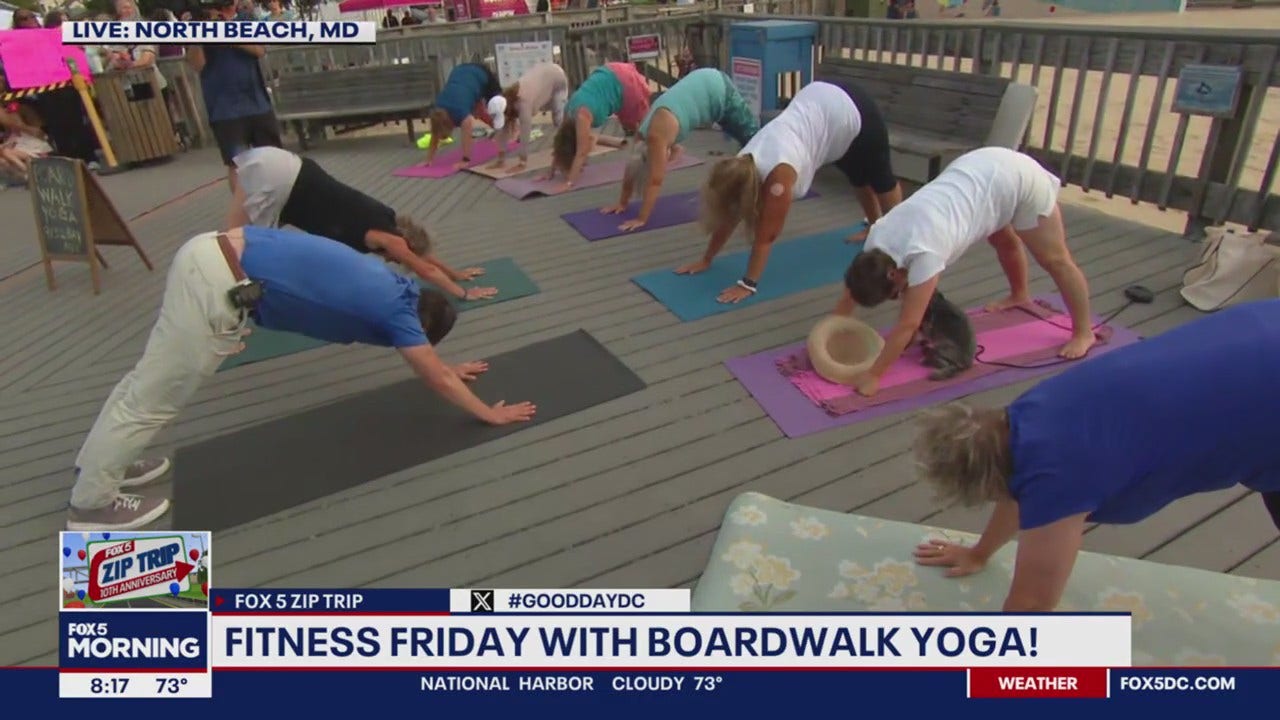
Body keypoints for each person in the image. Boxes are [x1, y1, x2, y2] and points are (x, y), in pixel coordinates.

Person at [66, 226, 537, 531]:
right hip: (217, 283)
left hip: (210, 251)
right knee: (154, 398)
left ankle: (104, 462)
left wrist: (444, 365)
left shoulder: (399, 287)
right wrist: (489, 415)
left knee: (144, 382)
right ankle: (91, 502)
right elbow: (433, 376)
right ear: (421, 331)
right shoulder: (399, 315)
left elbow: (428, 354)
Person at [910, 299, 1280, 611]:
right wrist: (980, 552)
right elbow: (1022, 485)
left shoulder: (1057, 478)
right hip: (1261, 333)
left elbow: (1032, 604)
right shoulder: (1028, 415)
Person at [839, 146, 1094, 397]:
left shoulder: (926, 251)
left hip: (1016, 179)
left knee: (1055, 260)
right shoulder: (876, 242)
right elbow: (857, 284)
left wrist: (874, 376)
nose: (898, 297)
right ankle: (1020, 294)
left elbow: (909, 323)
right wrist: (836, 324)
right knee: (1002, 239)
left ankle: (1084, 332)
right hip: (979, 173)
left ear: (893, 275)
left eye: (893, 294)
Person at [675, 80, 902, 304]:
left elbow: (766, 236)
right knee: (858, 175)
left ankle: (899, 239)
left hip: (854, 110)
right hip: (823, 106)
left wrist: (747, 284)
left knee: (881, 180)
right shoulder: (741, 165)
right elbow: (730, 215)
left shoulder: (779, 181)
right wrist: (707, 258)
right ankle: (874, 226)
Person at [227, 146, 497, 301]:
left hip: (287, 173)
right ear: (406, 242)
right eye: (399, 257)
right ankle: (228, 316)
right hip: (280, 179)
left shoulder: (388, 221)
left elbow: (422, 257)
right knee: (232, 249)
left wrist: (455, 272)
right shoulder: (389, 238)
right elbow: (424, 268)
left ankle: (237, 304)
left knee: (247, 249)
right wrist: (462, 293)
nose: (394, 261)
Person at [600, 67, 759, 233]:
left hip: (717, 90)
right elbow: (632, 168)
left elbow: (655, 181)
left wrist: (641, 219)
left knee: (754, 140)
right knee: (746, 142)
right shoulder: (643, 134)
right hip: (702, 81)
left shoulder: (656, 138)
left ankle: (769, 186)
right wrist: (622, 203)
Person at [186, 0, 283, 195]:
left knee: (274, 158)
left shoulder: (246, 18)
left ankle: (278, 202)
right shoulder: (201, 24)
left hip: (257, 103)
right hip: (225, 108)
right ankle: (245, 212)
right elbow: (197, 65)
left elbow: (259, 49)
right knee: (237, 164)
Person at [548, 62, 651, 192]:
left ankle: (666, 150)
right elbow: (560, 144)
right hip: (609, 73)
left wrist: (569, 183)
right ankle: (655, 150)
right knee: (633, 125)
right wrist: (550, 173)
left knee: (644, 127)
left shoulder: (581, 116)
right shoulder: (569, 112)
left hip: (623, 82)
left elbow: (582, 151)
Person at [487, 62, 569, 173]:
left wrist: (522, 162)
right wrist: (501, 159)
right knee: (552, 112)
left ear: (507, 110)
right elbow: (503, 129)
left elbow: (525, 133)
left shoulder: (523, 103)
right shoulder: (505, 100)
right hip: (543, 79)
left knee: (558, 120)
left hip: (557, 78)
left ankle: (573, 143)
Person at [426, 63, 503, 170]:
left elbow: (466, 134)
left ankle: (511, 129)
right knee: (478, 111)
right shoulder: (438, 110)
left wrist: (465, 160)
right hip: (461, 72)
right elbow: (435, 133)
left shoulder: (460, 113)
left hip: (481, 74)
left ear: (450, 124)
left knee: (498, 107)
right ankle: (500, 128)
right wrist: (429, 159)